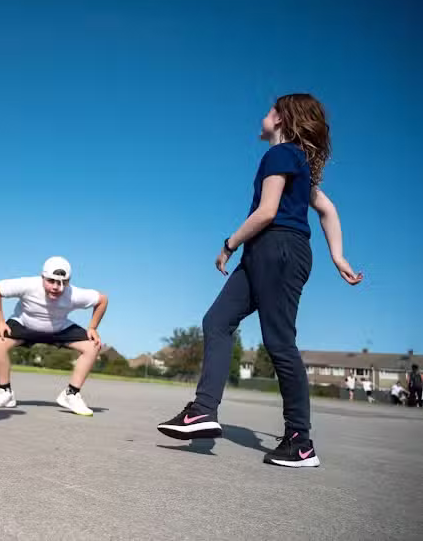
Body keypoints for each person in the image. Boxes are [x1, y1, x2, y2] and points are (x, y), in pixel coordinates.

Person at [156, 94, 364, 468]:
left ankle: (300, 441)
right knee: (217, 321)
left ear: (282, 119)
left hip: (277, 248)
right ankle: (203, 411)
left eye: (270, 111)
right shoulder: (298, 163)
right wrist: (337, 256)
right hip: (266, 252)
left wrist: (228, 245)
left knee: (279, 341)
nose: (264, 116)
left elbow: (267, 213)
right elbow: (328, 210)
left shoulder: (281, 154)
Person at [0, 257, 108, 416]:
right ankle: (5, 392)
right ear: (42, 277)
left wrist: (93, 327)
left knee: (93, 345)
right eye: (51, 281)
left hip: (59, 328)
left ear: (68, 281)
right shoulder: (28, 285)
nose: (56, 287)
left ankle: (71, 394)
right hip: (25, 324)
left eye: (62, 282)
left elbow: (102, 300)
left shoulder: (74, 294)